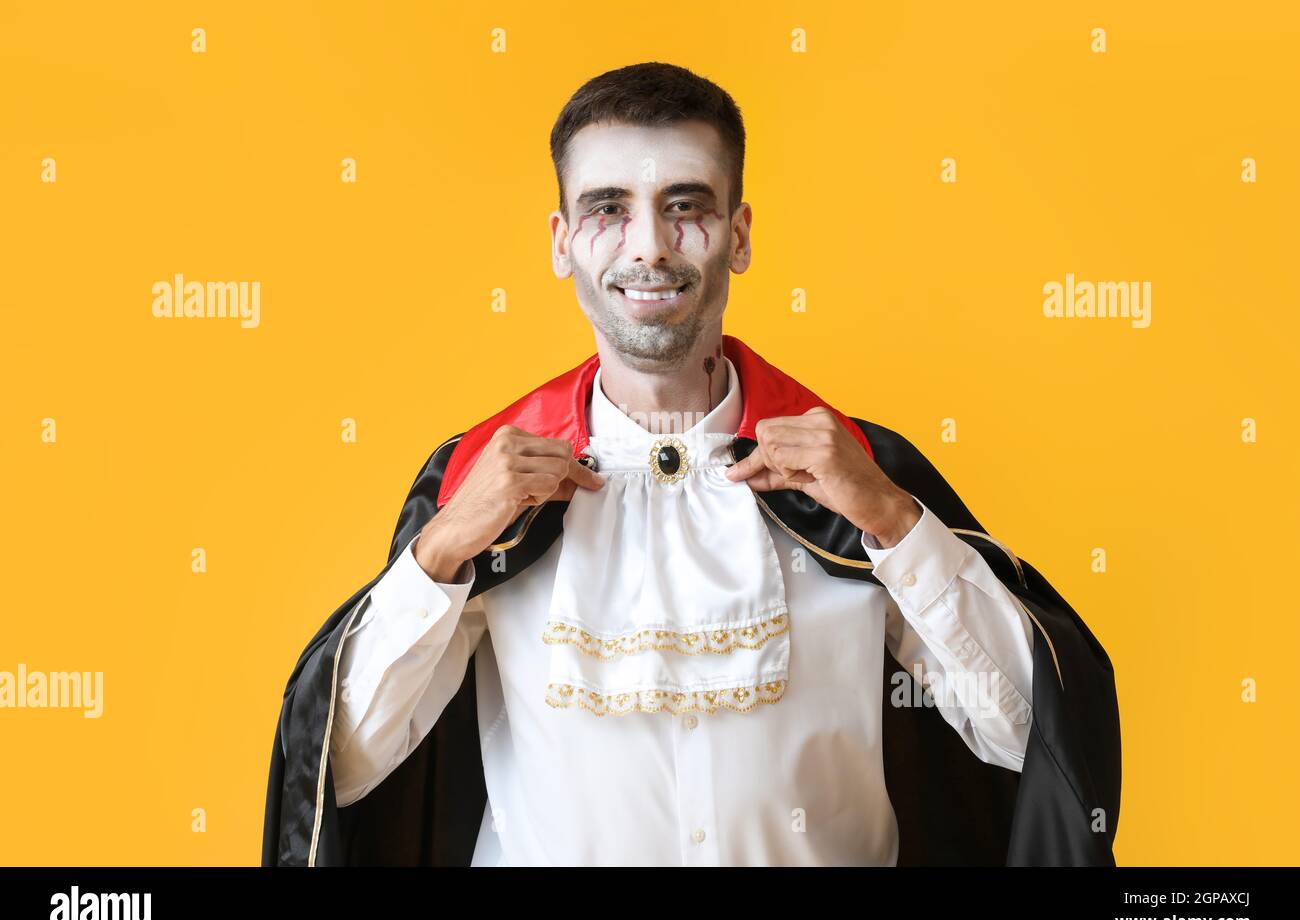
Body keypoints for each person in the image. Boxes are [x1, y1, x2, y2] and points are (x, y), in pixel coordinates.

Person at [262, 62, 1121, 866]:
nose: (651, 248)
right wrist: (440, 553)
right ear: (562, 243)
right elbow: (341, 768)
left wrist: (897, 526)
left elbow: (1028, 738)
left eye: (686, 205)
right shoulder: (482, 483)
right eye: (608, 208)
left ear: (738, 235)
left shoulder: (859, 474)